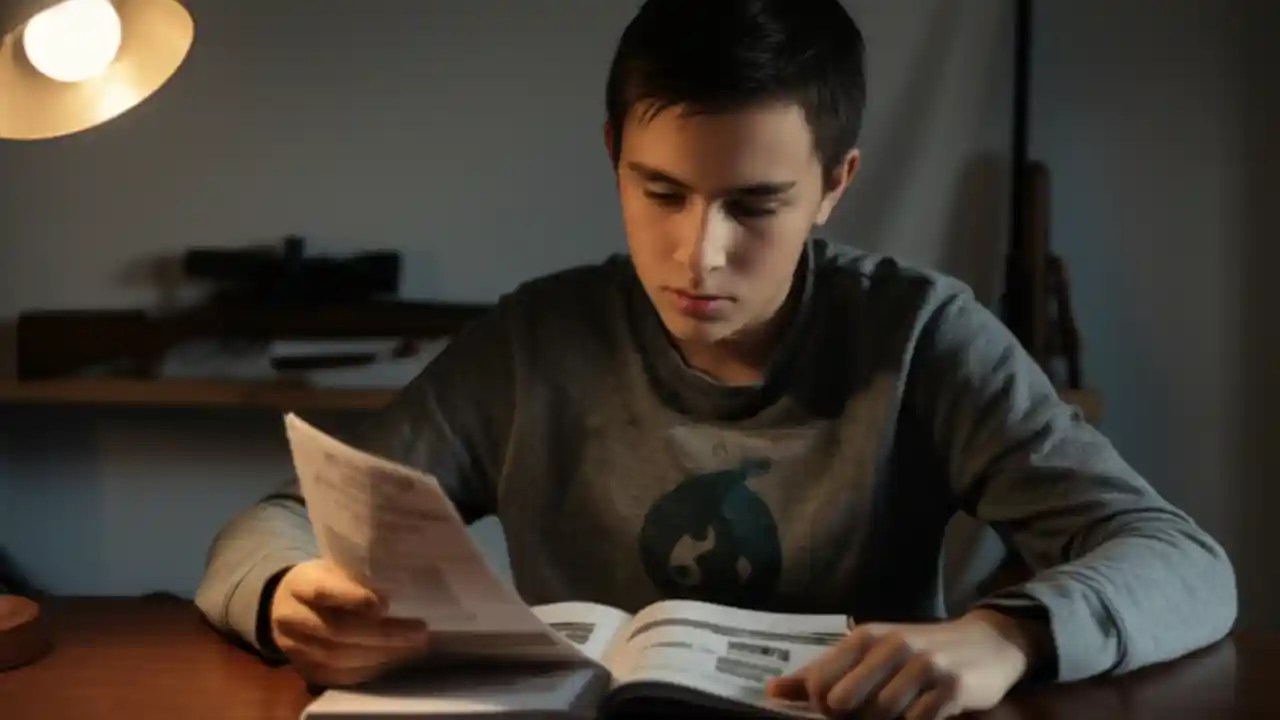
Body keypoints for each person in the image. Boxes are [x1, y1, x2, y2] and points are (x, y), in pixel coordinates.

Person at [196, 1, 1236, 717]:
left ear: (834, 184)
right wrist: (287, 589)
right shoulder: (533, 343)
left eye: (754, 205)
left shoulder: (921, 336)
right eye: (660, 193)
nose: (699, 256)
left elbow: (1184, 564)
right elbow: (273, 519)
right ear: (612, 151)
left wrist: (1006, 636)